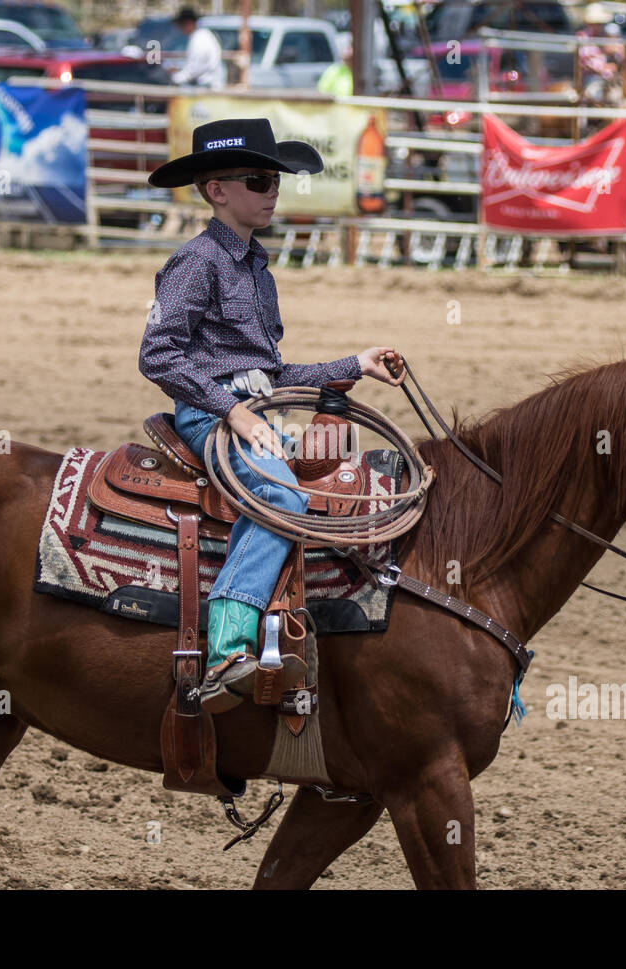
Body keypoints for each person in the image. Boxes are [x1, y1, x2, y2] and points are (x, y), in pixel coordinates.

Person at [140, 117, 404, 712]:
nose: (273, 190)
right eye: (259, 179)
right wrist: (231, 410)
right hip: (210, 414)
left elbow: (274, 374)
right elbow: (156, 355)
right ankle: (228, 648)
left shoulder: (256, 267)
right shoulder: (197, 260)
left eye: (275, 179)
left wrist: (354, 364)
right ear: (217, 190)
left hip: (258, 406)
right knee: (281, 495)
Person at [170, 7, 225, 89]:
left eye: (181, 25)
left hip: (207, 87)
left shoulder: (199, 40)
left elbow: (194, 70)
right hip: (207, 85)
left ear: (189, 23)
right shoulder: (201, 36)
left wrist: (175, 78)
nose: (180, 28)